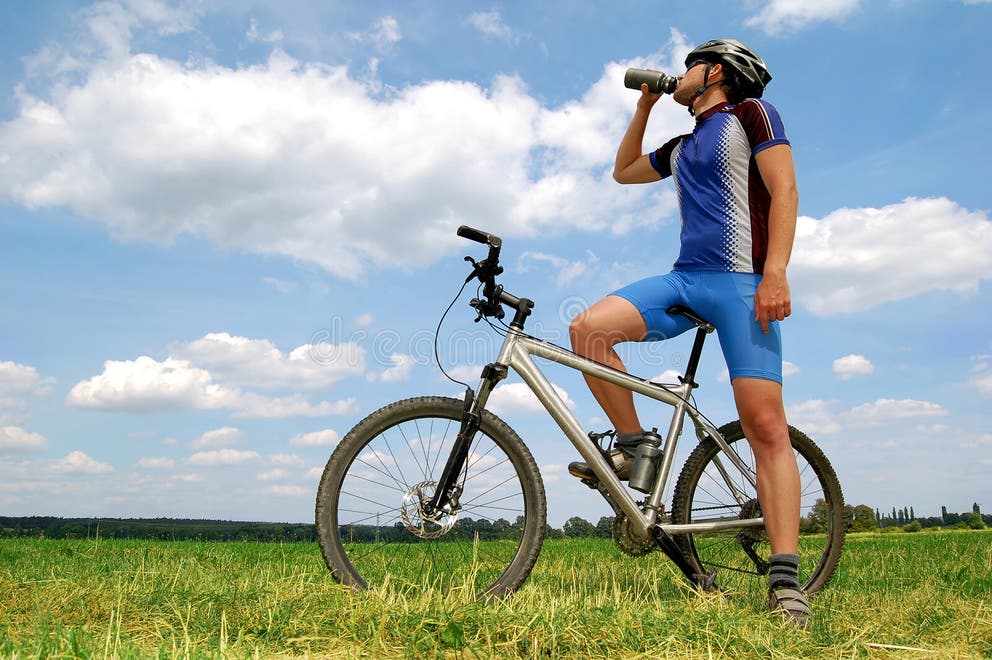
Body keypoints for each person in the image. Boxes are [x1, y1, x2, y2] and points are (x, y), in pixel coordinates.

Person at [567, 39, 808, 626]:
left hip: (743, 284)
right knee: (588, 330)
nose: (678, 74)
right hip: (685, 280)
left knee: (765, 425)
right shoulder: (682, 144)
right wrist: (644, 107)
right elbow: (624, 172)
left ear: (715, 72)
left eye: (688, 67)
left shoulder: (751, 114)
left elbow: (785, 190)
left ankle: (785, 579)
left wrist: (776, 272)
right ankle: (635, 445)